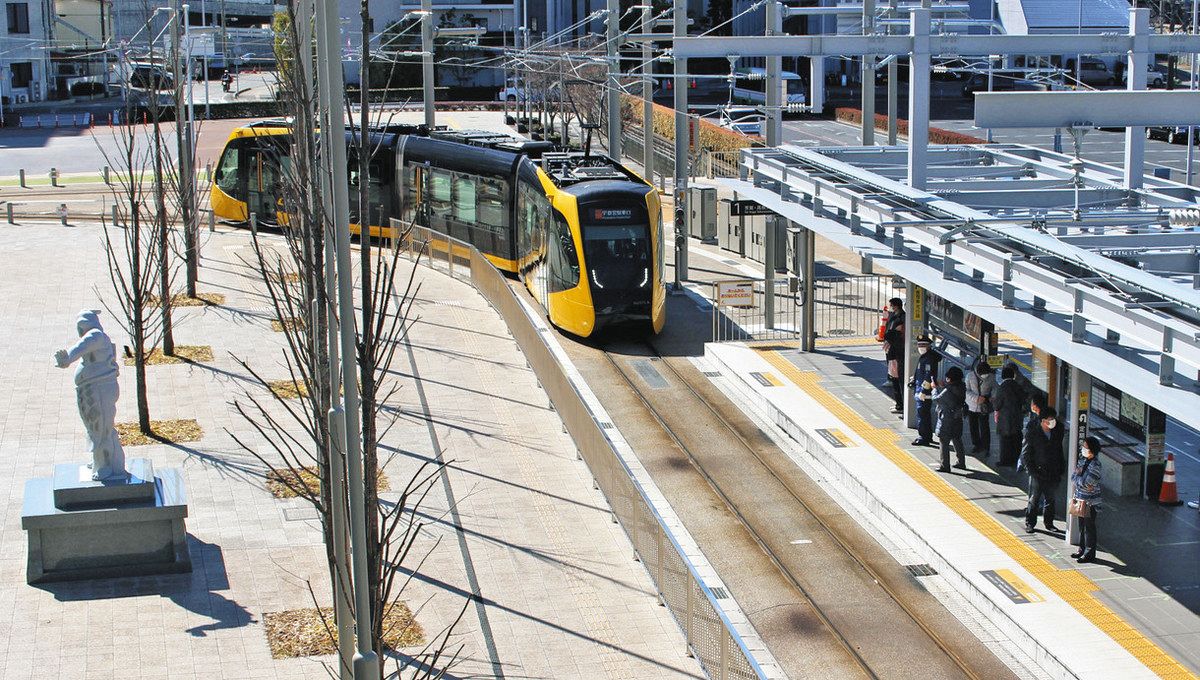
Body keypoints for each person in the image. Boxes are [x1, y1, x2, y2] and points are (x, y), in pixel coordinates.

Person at [1022, 406, 1064, 534]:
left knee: (1050, 498)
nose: (1053, 422)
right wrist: (1032, 471)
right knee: (1034, 498)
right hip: (1037, 472)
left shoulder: (1058, 430)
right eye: (1050, 420)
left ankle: (1049, 523)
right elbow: (1026, 454)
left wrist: (1061, 467)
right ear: (1042, 421)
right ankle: (1030, 522)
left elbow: (1059, 450)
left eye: (1054, 419)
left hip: (1053, 470)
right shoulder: (1033, 433)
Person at [1070, 436, 1103, 563]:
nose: (1083, 448)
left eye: (1085, 447)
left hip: (1090, 501)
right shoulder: (1082, 461)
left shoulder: (1096, 465)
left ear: (1092, 450)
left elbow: (1089, 482)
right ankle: (1081, 549)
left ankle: (1089, 553)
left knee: (1089, 527)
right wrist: (1080, 480)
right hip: (1080, 498)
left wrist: (1079, 478)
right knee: (1082, 526)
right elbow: (1075, 478)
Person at [933, 366, 968, 472]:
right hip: (957, 417)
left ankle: (945, 465)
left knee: (944, 441)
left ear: (950, 379)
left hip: (947, 418)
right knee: (957, 439)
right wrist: (945, 386)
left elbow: (937, 399)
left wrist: (934, 388)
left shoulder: (948, 391)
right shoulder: (962, 386)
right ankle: (961, 462)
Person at [910, 335, 942, 446]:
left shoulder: (928, 358)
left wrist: (924, 390)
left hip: (923, 392)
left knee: (922, 414)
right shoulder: (925, 357)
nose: (921, 347)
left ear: (929, 346)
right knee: (924, 414)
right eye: (919, 345)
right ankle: (926, 436)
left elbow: (929, 375)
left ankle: (924, 437)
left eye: (923, 345)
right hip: (920, 389)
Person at [991, 364, 1025, 467]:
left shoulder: (1002, 388)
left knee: (1005, 441)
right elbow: (1023, 399)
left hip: (1005, 418)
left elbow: (997, 405)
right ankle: (1015, 459)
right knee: (1016, 439)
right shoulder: (1018, 386)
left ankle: (1004, 460)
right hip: (1017, 417)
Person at [965, 360, 996, 457]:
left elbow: (995, 388)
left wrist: (993, 397)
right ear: (978, 372)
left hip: (984, 405)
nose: (985, 376)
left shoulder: (991, 377)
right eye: (983, 374)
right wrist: (976, 398)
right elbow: (966, 390)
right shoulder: (970, 376)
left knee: (985, 427)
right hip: (972, 405)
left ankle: (986, 447)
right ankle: (976, 444)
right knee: (973, 426)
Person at [882, 298, 905, 415]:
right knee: (894, 377)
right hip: (892, 352)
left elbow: (892, 334)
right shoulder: (894, 316)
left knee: (897, 379)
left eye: (892, 305)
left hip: (896, 353)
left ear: (896, 306)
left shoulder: (901, 318)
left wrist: (889, 337)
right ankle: (899, 404)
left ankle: (900, 405)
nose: (891, 307)